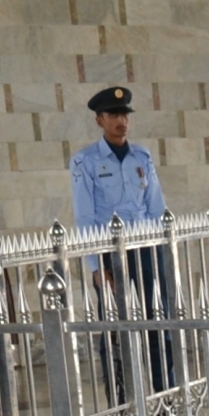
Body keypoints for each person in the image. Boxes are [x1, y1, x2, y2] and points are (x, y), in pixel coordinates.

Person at [71, 85, 176, 398]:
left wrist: (163, 249)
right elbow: (85, 216)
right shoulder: (84, 161)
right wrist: (94, 264)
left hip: (146, 249)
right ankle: (120, 402)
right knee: (114, 330)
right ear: (99, 120)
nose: (121, 121)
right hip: (110, 254)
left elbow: (156, 207)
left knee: (158, 322)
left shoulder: (141, 156)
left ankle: (164, 396)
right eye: (113, 115)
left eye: (125, 115)